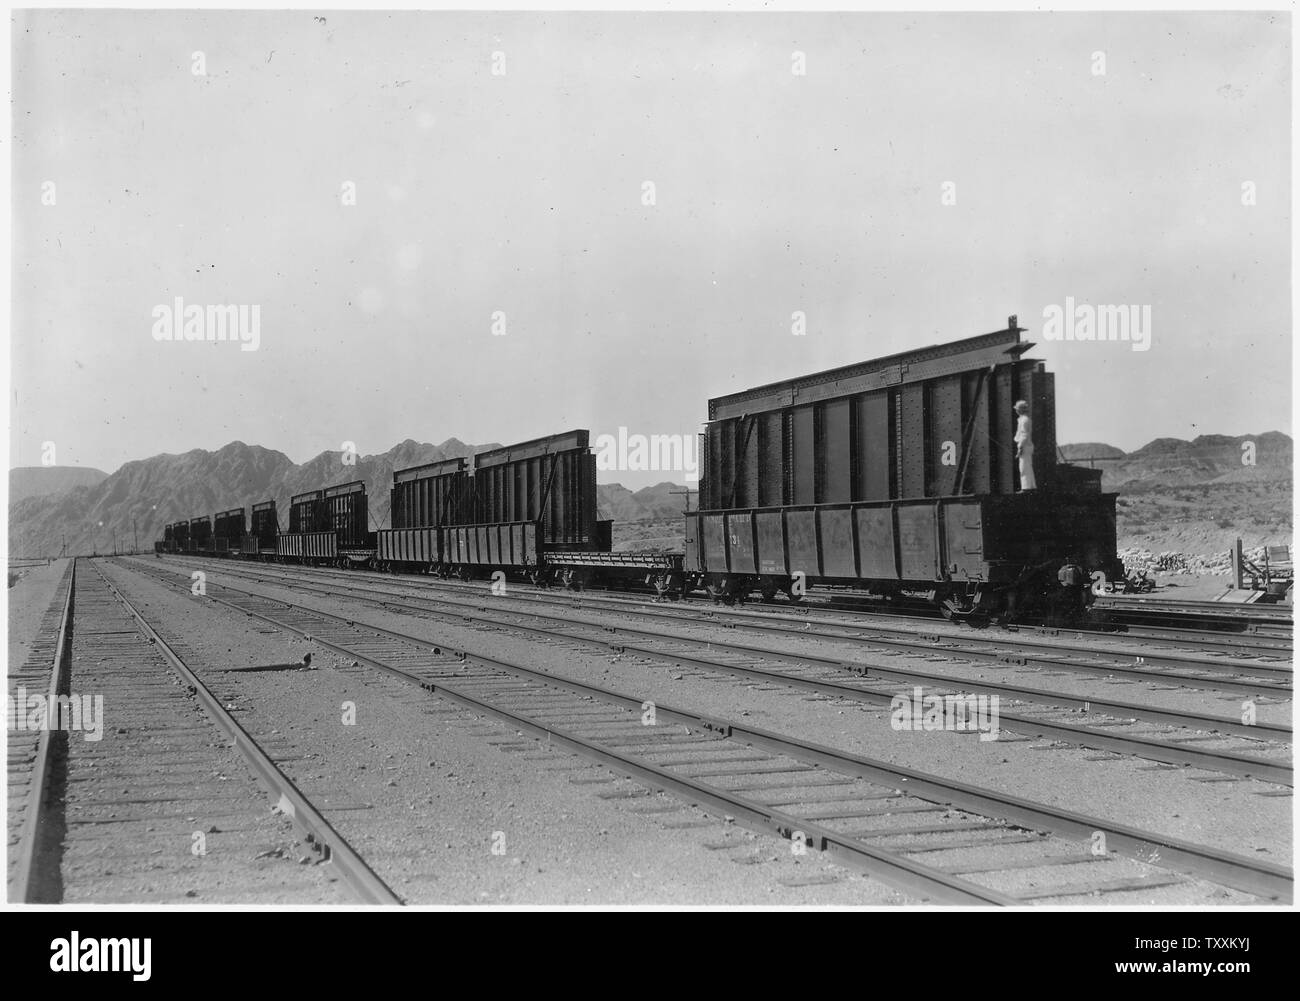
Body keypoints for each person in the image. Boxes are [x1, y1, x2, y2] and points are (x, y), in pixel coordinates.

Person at [1013, 400, 1036, 491]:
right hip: (1027, 445)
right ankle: (1031, 486)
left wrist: (1020, 447)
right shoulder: (1025, 419)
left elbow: (1024, 435)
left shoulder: (1024, 420)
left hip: (1025, 446)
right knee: (1027, 466)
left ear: (1020, 410)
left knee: (1023, 467)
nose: (1016, 410)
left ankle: (1026, 488)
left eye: (1017, 409)